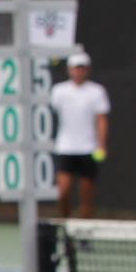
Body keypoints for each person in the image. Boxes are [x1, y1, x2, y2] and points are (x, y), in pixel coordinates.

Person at [51, 50, 110, 218]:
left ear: (88, 70)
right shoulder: (58, 91)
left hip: (89, 149)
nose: (79, 71)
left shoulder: (97, 92)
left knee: (86, 196)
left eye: (82, 68)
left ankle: (84, 233)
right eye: (76, 68)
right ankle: (67, 229)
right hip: (65, 148)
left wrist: (102, 145)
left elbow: (102, 120)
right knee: (63, 192)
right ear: (69, 70)